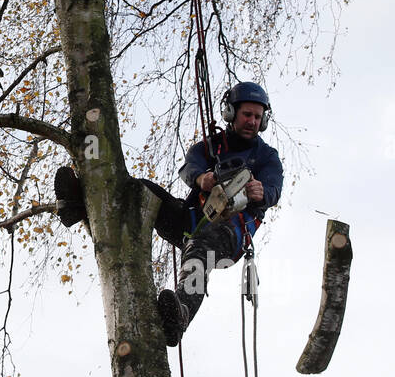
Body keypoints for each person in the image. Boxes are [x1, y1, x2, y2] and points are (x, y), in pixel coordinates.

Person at [54, 81, 284, 346]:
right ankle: (79, 204)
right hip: (191, 220)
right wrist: (202, 179)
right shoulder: (212, 147)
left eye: (258, 117)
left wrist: (262, 191)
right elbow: (190, 166)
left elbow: (274, 187)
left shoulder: (267, 157)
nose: (252, 121)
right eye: (247, 114)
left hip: (228, 234)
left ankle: (180, 316)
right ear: (232, 113)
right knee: (138, 190)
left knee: (198, 254)